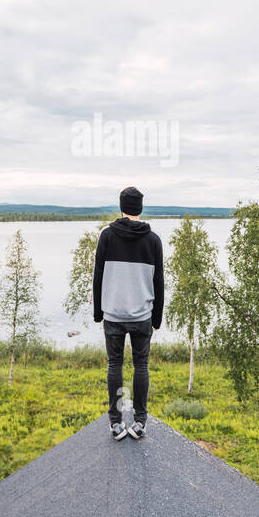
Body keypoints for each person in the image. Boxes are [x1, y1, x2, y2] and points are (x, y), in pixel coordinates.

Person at [92, 186, 164, 440]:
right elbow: (159, 282)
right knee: (140, 365)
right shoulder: (153, 240)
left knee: (115, 365)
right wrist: (157, 318)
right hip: (142, 316)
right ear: (140, 209)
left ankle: (116, 422)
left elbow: (98, 275)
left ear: (121, 208)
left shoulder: (107, 236)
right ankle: (140, 422)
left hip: (113, 313)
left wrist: (98, 312)